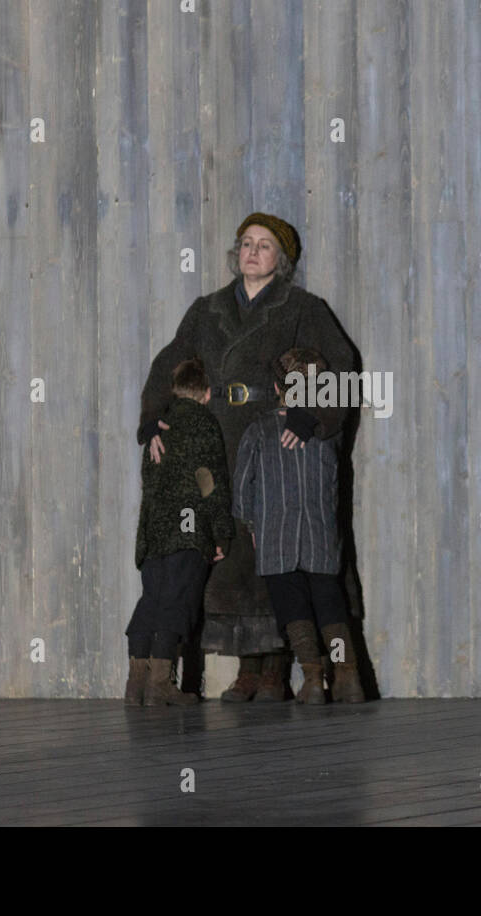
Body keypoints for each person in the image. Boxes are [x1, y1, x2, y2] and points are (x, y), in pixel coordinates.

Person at [137, 213, 356, 701]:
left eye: (265, 246)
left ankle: (279, 669)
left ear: (282, 262)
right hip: (217, 438)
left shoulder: (304, 307)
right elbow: (168, 363)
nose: (253, 252)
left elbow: (342, 367)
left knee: (277, 551)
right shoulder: (206, 310)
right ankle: (248, 670)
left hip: (277, 443)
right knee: (229, 551)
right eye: (246, 244)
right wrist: (154, 419)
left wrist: (311, 415)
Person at [233, 348, 364, 705]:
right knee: (330, 605)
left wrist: (251, 523)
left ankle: (313, 679)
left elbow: (243, 489)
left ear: (277, 386)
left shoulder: (259, 431)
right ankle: (348, 676)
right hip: (321, 532)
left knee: (293, 608)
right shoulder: (327, 432)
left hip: (276, 536)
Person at [127, 359, 234, 706]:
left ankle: (135, 684)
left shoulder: (158, 427)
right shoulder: (204, 423)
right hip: (187, 531)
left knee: (151, 601)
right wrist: (221, 532)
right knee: (177, 601)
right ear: (205, 394)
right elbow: (209, 481)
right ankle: (160, 684)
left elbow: (150, 478)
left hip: (154, 531)